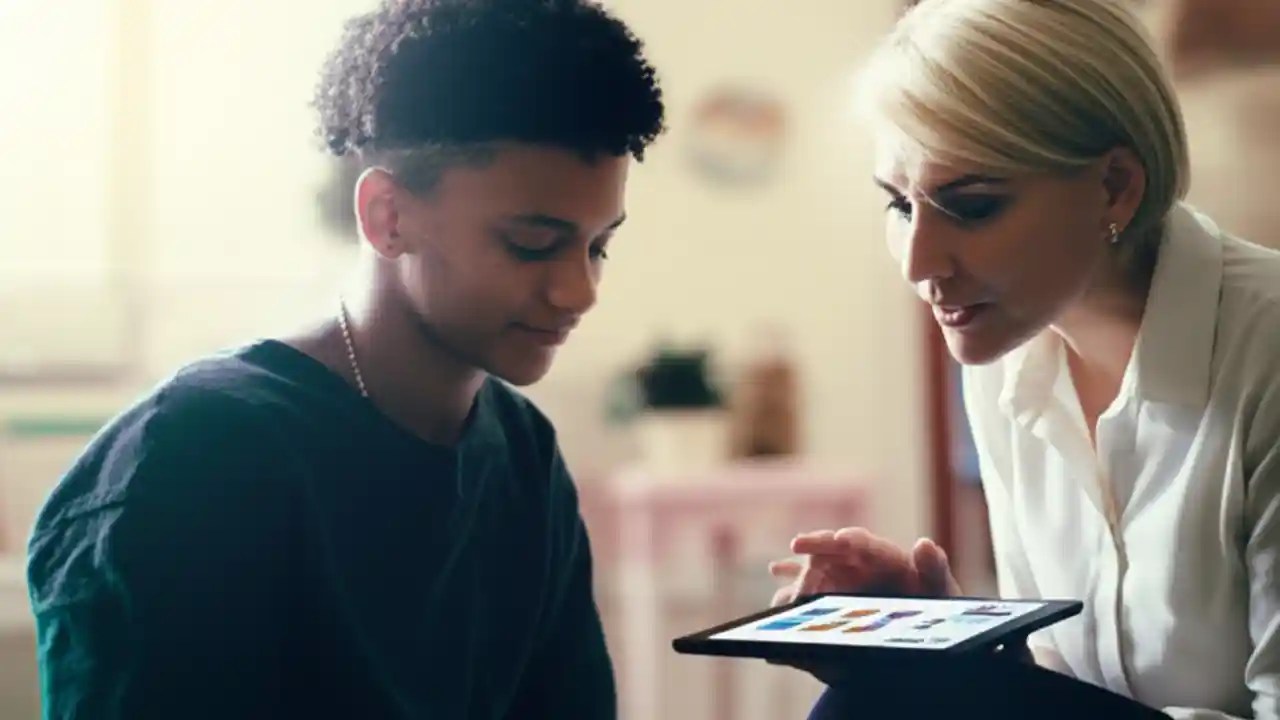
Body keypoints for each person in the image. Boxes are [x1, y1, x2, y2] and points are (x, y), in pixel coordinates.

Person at [26, 1, 665, 718]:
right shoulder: (192, 457)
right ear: (387, 217)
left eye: (598, 245)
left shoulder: (521, 456)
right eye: (530, 243)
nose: (579, 290)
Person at [769, 0, 1280, 718]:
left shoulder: (1267, 355)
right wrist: (954, 637)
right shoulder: (1004, 360)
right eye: (899, 205)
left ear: (1115, 187)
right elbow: (1066, 678)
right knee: (876, 687)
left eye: (972, 205)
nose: (920, 265)